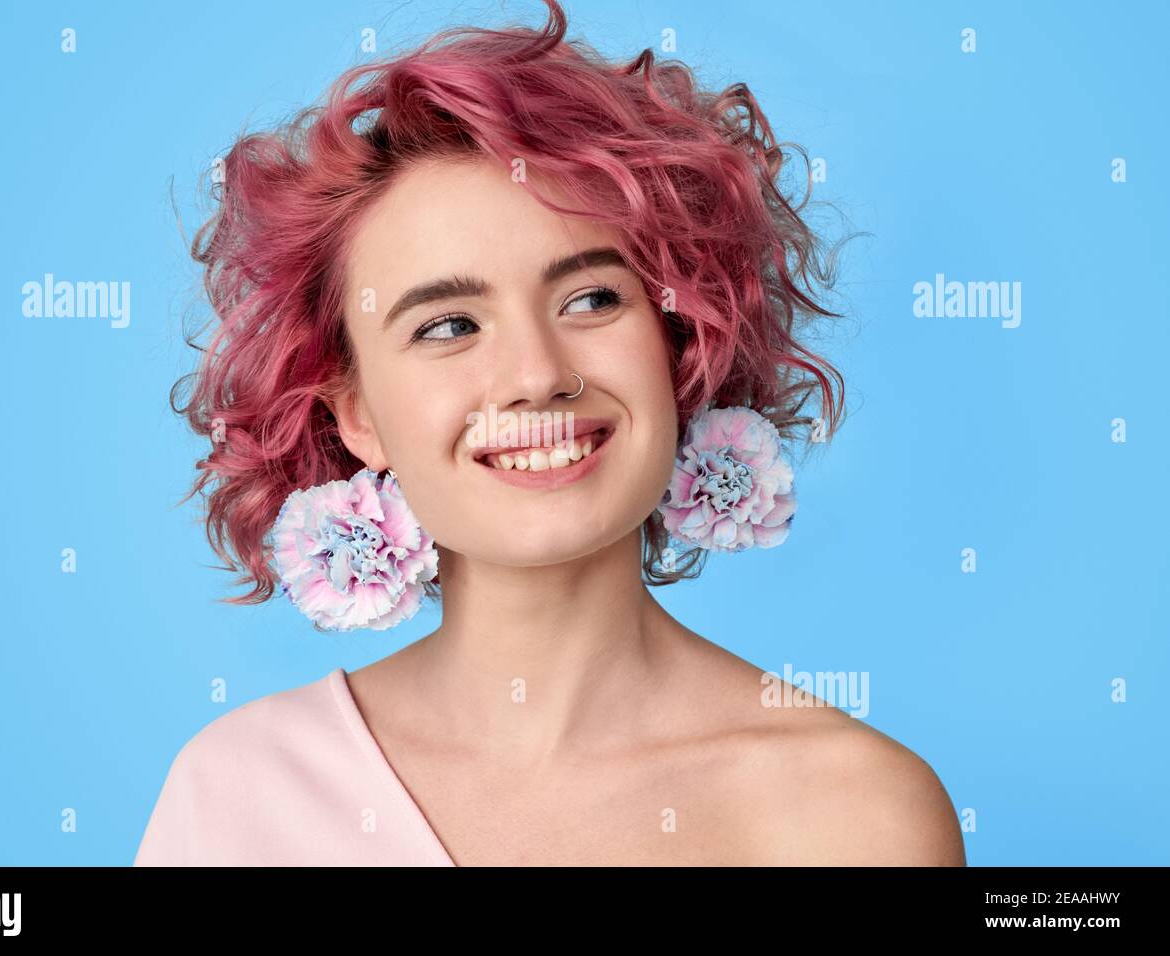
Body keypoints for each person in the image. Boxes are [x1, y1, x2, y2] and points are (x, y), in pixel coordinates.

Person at [136, 0, 965, 866]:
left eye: (591, 299)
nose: (536, 373)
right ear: (358, 415)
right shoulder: (238, 794)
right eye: (449, 325)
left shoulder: (854, 815)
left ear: (680, 343)